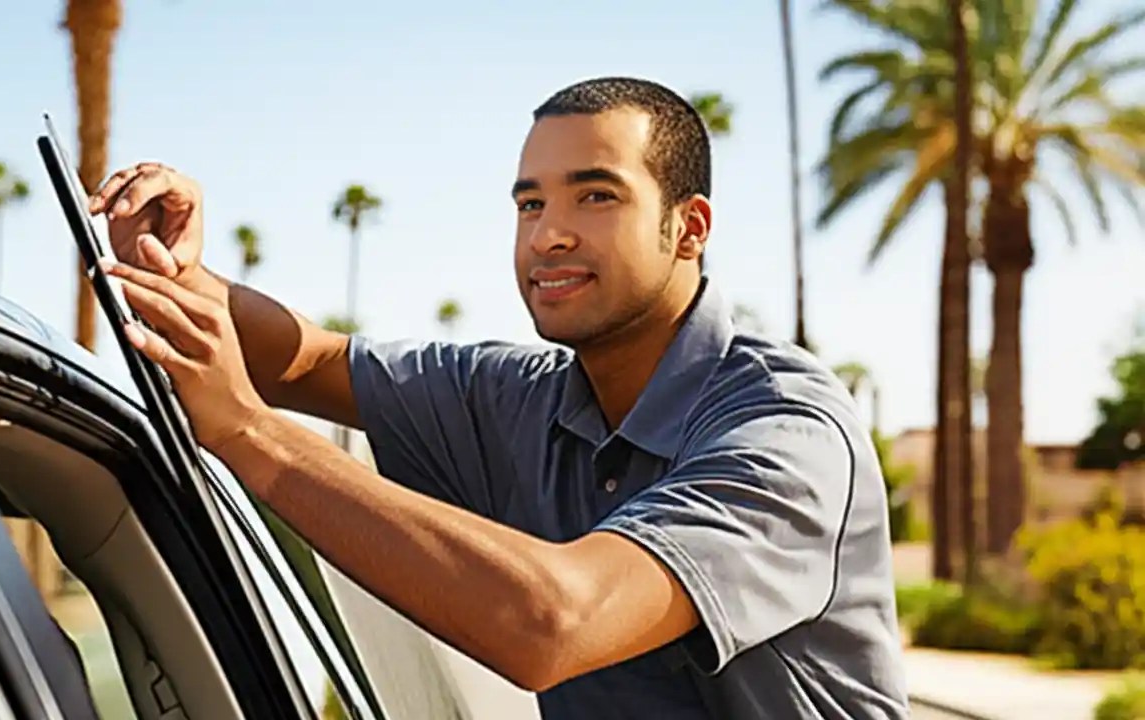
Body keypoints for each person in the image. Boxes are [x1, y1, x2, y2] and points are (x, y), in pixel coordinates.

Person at [88, 76, 910, 719]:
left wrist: (250, 438)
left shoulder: (784, 432)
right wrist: (171, 270)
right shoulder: (524, 397)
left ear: (688, 228)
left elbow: (553, 625)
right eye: (530, 203)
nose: (549, 232)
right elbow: (305, 363)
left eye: (596, 195)